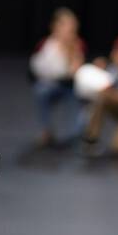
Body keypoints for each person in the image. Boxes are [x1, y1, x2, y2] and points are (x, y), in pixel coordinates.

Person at [29, 8, 87, 146]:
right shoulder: (46, 44)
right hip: (51, 85)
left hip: (71, 86)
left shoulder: (77, 44)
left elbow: (75, 71)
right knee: (40, 91)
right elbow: (36, 67)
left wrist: (70, 50)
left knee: (82, 99)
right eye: (66, 26)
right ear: (55, 27)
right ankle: (47, 130)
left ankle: (79, 133)